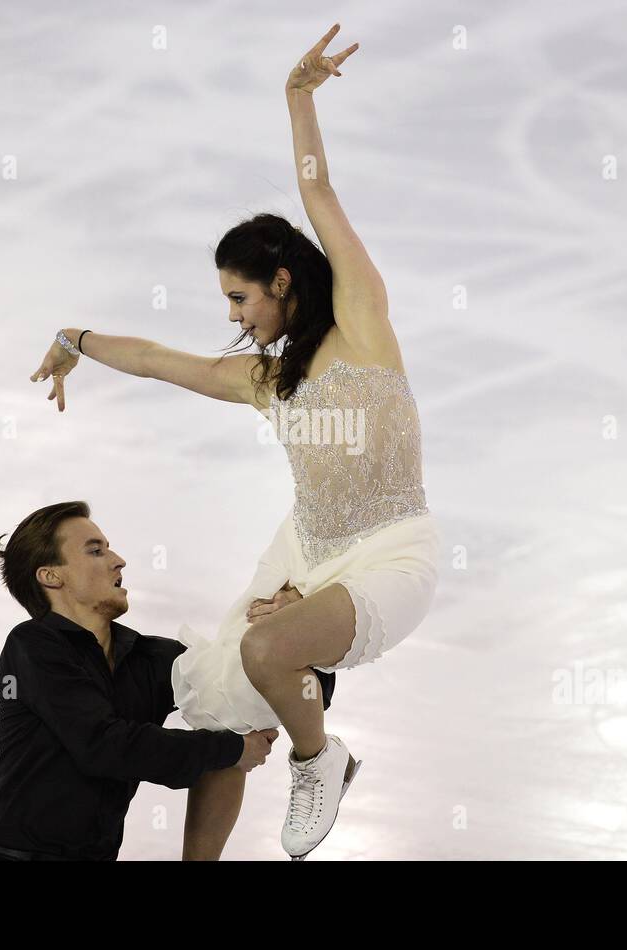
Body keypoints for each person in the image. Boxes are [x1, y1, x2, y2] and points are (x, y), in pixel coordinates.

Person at [30, 23, 441, 860]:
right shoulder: (269, 380)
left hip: (392, 552)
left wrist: (297, 98)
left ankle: (320, 758)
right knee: (218, 698)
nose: (233, 316)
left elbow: (319, 198)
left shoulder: (362, 324)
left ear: (282, 281)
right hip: (303, 548)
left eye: (239, 296)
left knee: (263, 648)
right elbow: (158, 361)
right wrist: (78, 337)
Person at [0, 501, 335, 860]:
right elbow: (103, 747)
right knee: (224, 742)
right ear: (51, 576)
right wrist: (233, 749)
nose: (118, 560)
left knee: (225, 715)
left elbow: (259, 687)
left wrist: (295, 624)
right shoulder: (33, 646)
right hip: (13, 857)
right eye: (95, 550)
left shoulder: (152, 659)